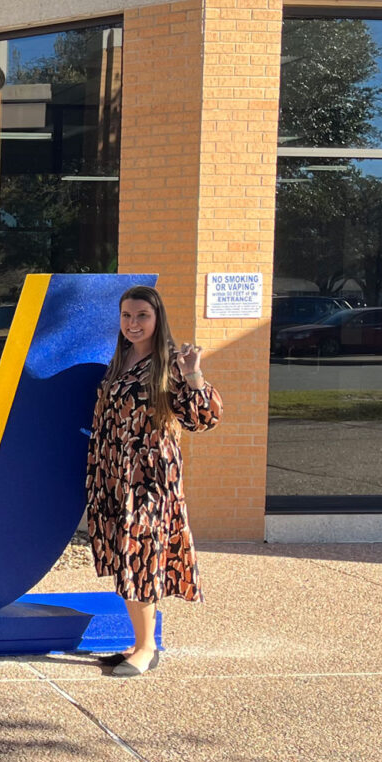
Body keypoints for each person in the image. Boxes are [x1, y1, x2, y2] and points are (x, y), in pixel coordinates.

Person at [85, 285, 222, 677]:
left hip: (150, 479)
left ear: (157, 317)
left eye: (142, 315)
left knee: (138, 555)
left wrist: (195, 374)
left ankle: (147, 648)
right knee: (125, 557)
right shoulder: (121, 359)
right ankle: (138, 640)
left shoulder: (172, 364)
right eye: (126, 316)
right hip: (113, 475)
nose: (133, 323)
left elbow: (203, 420)